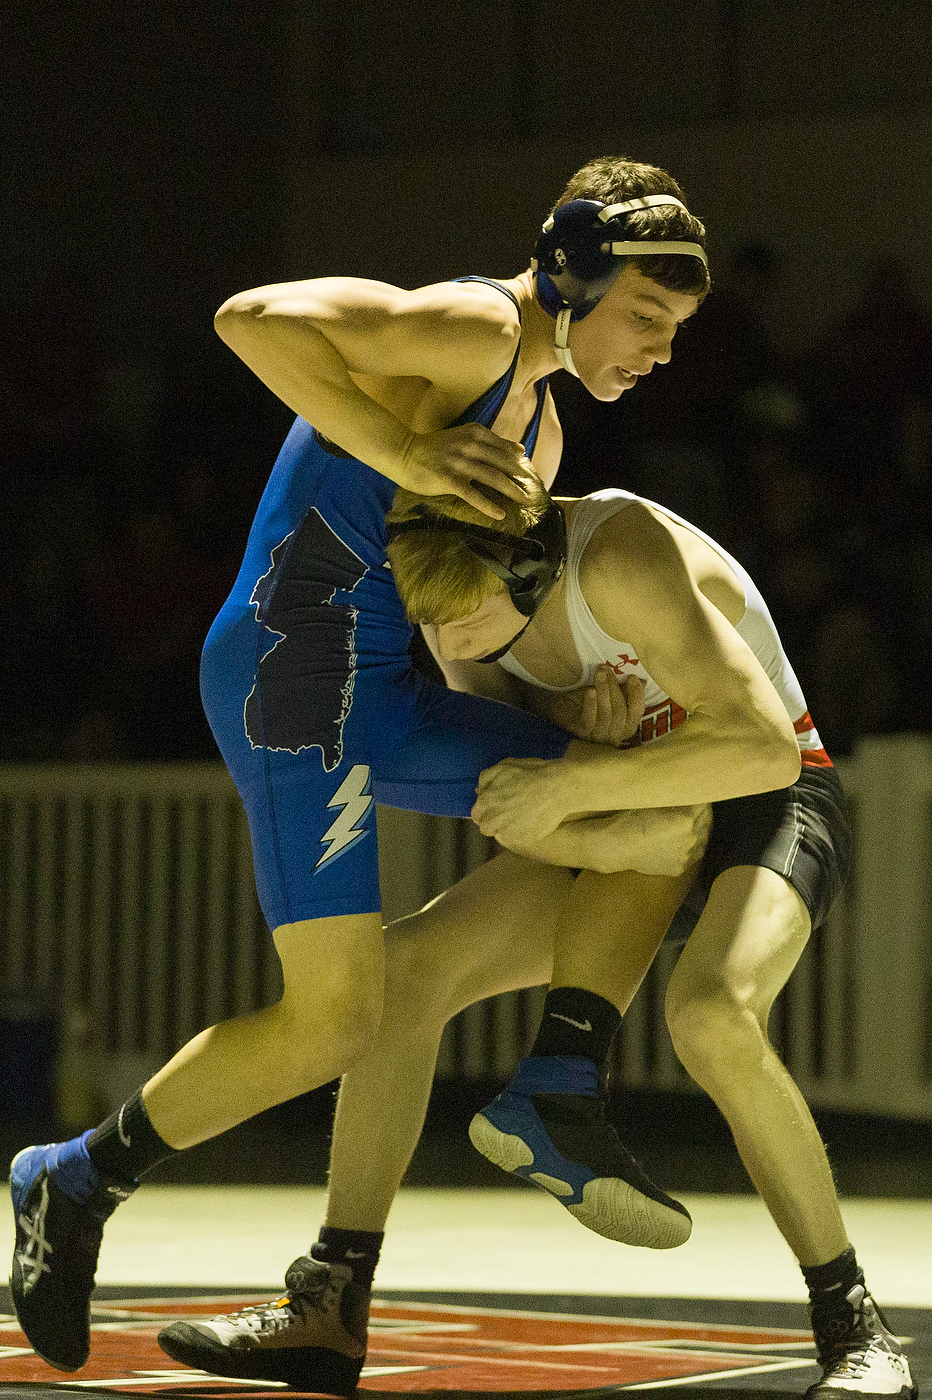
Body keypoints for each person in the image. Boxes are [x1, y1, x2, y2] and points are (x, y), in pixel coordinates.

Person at [8, 156, 711, 1374]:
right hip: (296, 676)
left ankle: (553, 1082)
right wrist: (405, 452)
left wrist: (561, 720)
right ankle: (69, 1179)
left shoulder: (539, 420)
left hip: (387, 686)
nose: (658, 348)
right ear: (569, 275)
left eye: (677, 328)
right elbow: (252, 320)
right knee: (336, 1015)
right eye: (644, 316)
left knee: (656, 810)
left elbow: (452, 617)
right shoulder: (474, 324)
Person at [156, 480, 913, 1400]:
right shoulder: (451, 589)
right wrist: (569, 748)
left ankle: (855, 1325)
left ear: (528, 568)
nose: (452, 645)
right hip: (630, 817)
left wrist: (576, 783)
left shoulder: (618, 557)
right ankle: (332, 1301)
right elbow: (510, 786)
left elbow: (765, 752)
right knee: (401, 978)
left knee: (711, 1016)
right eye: (435, 628)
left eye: (474, 625)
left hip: (770, 800)